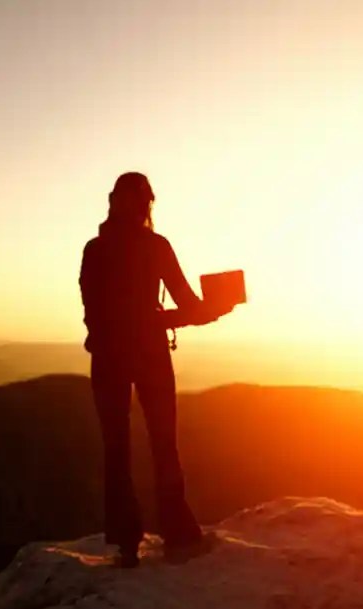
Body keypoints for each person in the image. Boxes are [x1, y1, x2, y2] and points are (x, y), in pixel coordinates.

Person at [78, 172, 234, 568]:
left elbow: (95, 316)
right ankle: (177, 533)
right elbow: (186, 304)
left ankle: (127, 543)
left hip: (109, 358)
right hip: (149, 354)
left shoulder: (95, 250)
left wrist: (193, 314)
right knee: (163, 443)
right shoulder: (155, 246)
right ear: (148, 204)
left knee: (117, 449)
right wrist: (213, 310)